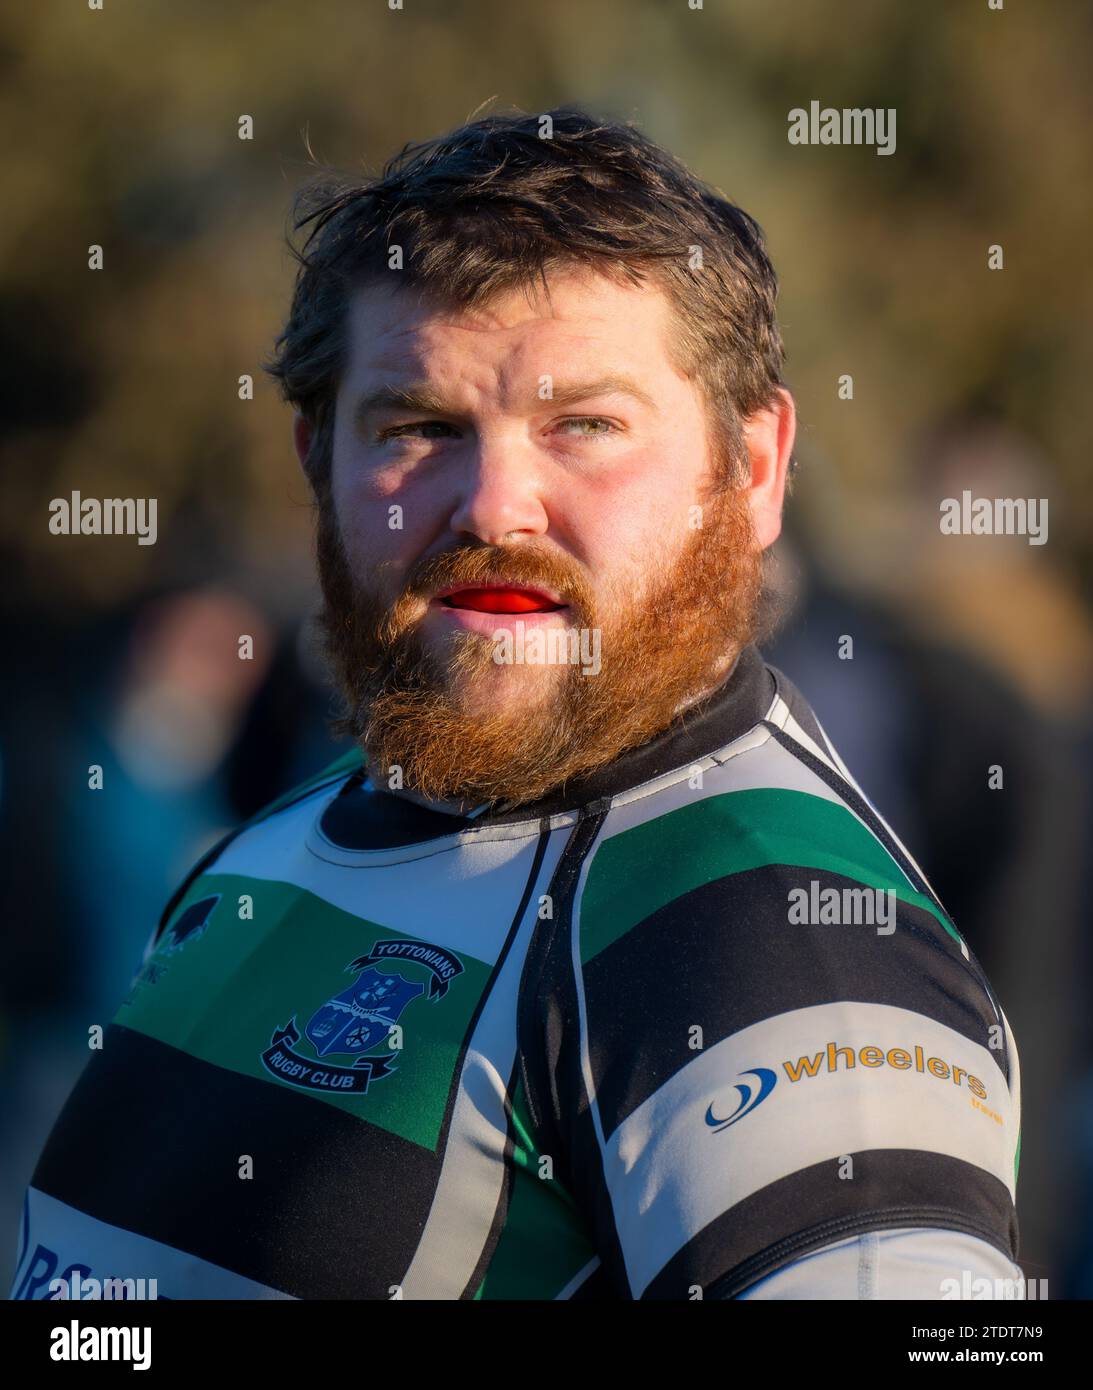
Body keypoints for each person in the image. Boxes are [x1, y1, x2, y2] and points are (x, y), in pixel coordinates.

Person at [10, 106, 1022, 1301]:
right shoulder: (286, 839)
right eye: (421, 427)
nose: (495, 507)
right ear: (316, 462)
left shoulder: (763, 938)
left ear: (750, 470)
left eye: (583, 425)